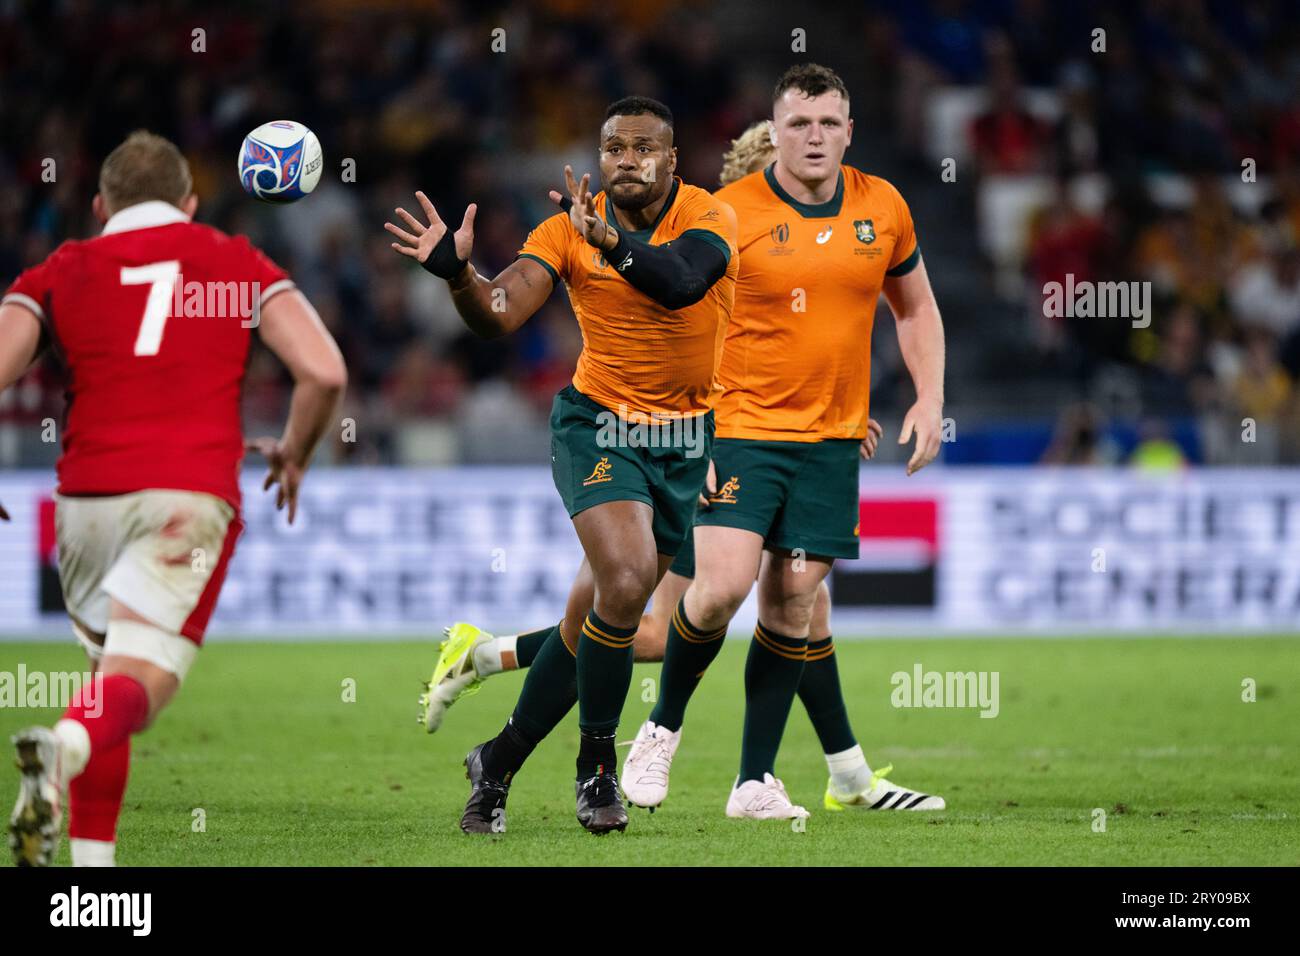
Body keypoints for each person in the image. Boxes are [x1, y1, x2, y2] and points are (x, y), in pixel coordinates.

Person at [387, 97, 737, 834]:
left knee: (594, 623)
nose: (628, 160)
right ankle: (596, 769)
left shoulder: (710, 216)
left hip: (682, 441)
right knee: (627, 578)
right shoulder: (561, 232)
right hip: (598, 427)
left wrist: (609, 242)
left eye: (645, 148)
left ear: (673, 161)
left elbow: (679, 282)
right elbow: (500, 313)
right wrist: (458, 277)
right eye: (615, 148)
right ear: (600, 156)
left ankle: (499, 761)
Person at [2, 131, 346, 866]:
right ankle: (61, 748)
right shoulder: (235, 263)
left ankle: (93, 876)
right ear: (189, 203)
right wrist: (294, 452)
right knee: (140, 689)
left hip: (84, 503)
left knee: (107, 678)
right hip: (184, 498)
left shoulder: (59, 269)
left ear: (100, 206)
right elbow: (323, 372)